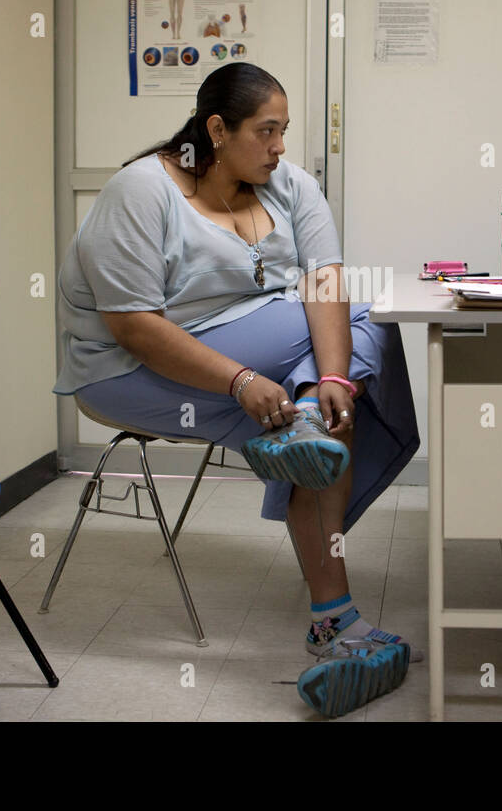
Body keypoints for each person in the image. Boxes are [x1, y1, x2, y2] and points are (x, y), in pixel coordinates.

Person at [53, 62, 420, 713]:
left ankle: (334, 618)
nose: (280, 147)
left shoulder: (289, 185)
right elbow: (134, 328)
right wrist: (243, 378)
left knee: (337, 399)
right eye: (266, 131)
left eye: (284, 130)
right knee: (361, 332)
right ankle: (333, 615)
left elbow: (325, 279)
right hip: (130, 371)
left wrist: (331, 381)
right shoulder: (142, 192)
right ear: (217, 130)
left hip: (245, 349)